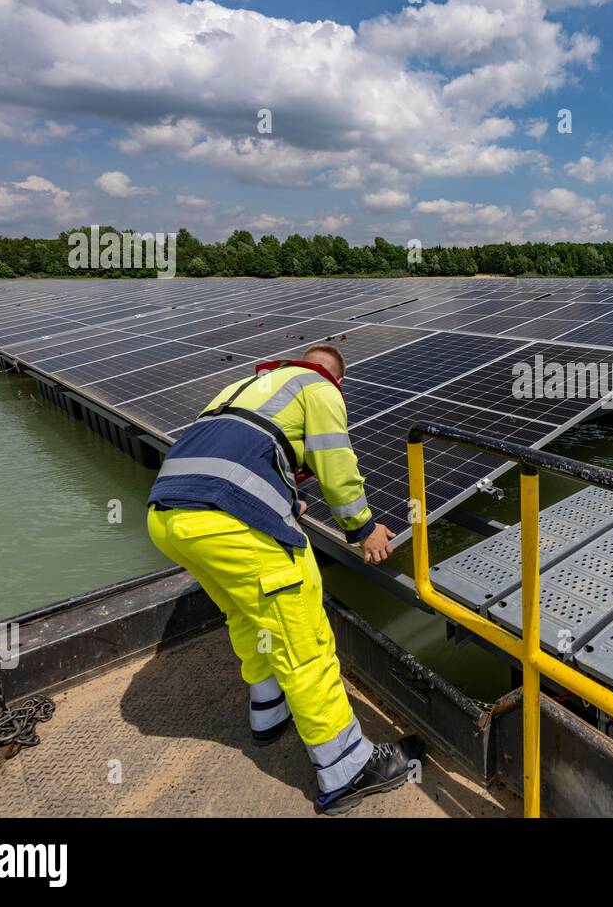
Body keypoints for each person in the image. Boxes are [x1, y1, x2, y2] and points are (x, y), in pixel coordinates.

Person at [145, 343, 424, 814]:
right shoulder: (320, 387)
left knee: (248, 617)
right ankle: (348, 770)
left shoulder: (241, 388)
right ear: (334, 375)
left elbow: (237, 452)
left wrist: (283, 496)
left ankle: (268, 715)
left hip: (168, 516)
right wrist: (362, 528)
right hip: (229, 522)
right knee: (304, 638)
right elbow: (335, 462)